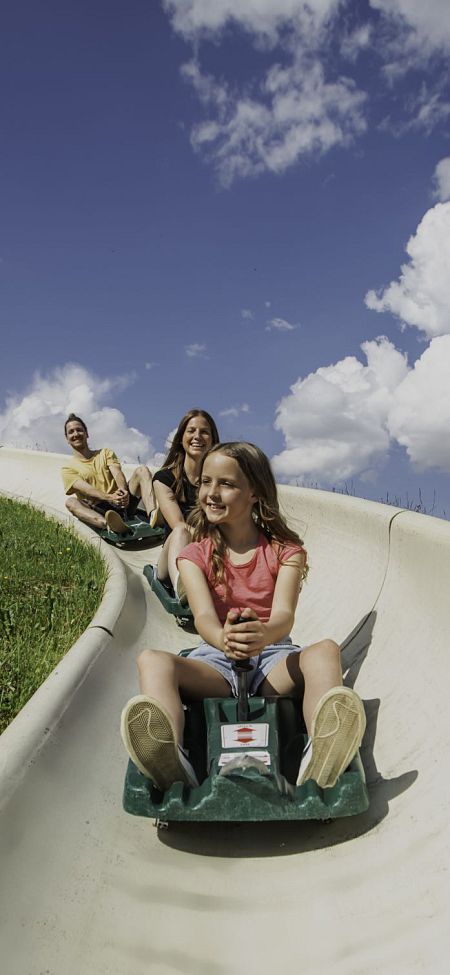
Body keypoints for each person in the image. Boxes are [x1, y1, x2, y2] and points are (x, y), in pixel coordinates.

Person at [120, 442, 366, 792]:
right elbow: (203, 617)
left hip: (272, 659)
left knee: (325, 650)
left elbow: (284, 616)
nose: (211, 493)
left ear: (255, 493)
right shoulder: (193, 556)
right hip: (216, 661)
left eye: (226, 484)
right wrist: (223, 639)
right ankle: (170, 757)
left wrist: (263, 634)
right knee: (152, 660)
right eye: (206, 482)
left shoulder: (286, 552)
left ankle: (321, 750)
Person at [151, 409, 219, 600]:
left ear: (213, 441)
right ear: (181, 437)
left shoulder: (219, 482)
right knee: (181, 530)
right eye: (191, 431)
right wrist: (214, 541)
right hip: (173, 557)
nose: (197, 436)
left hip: (209, 555)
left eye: (204, 432)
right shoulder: (164, 479)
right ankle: (183, 586)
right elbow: (177, 524)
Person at [61, 414, 156, 535]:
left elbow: (117, 473)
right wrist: (110, 498)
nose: (76, 434)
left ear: (86, 433)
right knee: (70, 502)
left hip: (121, 502)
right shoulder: (68, 469)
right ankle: (111, 525)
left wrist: (123, 492)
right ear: (67, 438)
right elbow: (88, 490)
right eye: (71, 432)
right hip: (99, 508)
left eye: (79, 430)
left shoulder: (105, 453)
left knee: (142, 470)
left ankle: (153, 515)